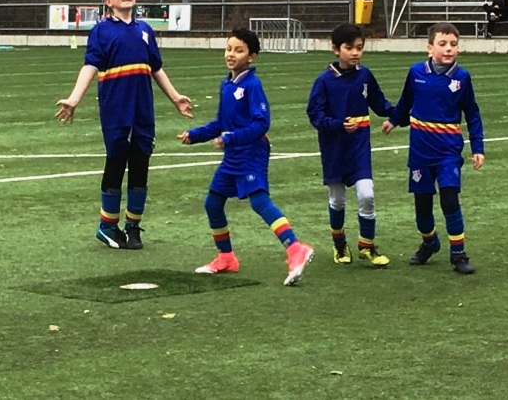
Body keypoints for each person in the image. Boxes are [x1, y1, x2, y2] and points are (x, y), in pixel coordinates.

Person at [56, 0, 193, 250]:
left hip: (143, 110)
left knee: (141, 165)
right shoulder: (102, 31)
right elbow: (90, 66)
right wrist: (74, 99)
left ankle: (133, 227)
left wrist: (175, 97)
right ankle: (107, 226)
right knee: (117, 162)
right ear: (108, 0)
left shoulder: (145, 30)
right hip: (116, 109)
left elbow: (155, 68)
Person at [179, 28, 316, 286]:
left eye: (238, 50)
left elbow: (261, 123)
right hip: (233, 155)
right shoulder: (226, 84)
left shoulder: (252, 85)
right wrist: (195, 135)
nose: (231, 54)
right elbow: (221, 121)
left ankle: (295, 248)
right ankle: (227, 258)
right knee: (213, 203)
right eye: (228, 48)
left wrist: (230, 138)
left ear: (251, 57)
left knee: (259, 201)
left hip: (252, 151)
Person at [381, 22, 485, 275]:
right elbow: (406, 101)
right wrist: (394, 120)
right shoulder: (416, 73)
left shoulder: (462, 78)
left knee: (450, 200)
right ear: (430, 48)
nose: (449, 49)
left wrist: (478, 147)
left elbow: (472, 113)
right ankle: (430, 243)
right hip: (420, 152)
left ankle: (458, 253)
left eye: (453, 44)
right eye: (443, 44)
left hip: (448, 152)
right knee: (422, 206)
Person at [307, 23, 394, 267]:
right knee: (337, 200)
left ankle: (367, 246)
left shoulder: (364, 76)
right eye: (349, 48)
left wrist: (400, 115)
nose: (355, 53)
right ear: (335, 49)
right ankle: (339, 244)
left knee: (367, 194)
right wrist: (336, 124)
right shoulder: (324, 81)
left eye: (360, 48)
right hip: (334, 147)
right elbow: (314, 114)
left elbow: (379, 103)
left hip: (359, 146)